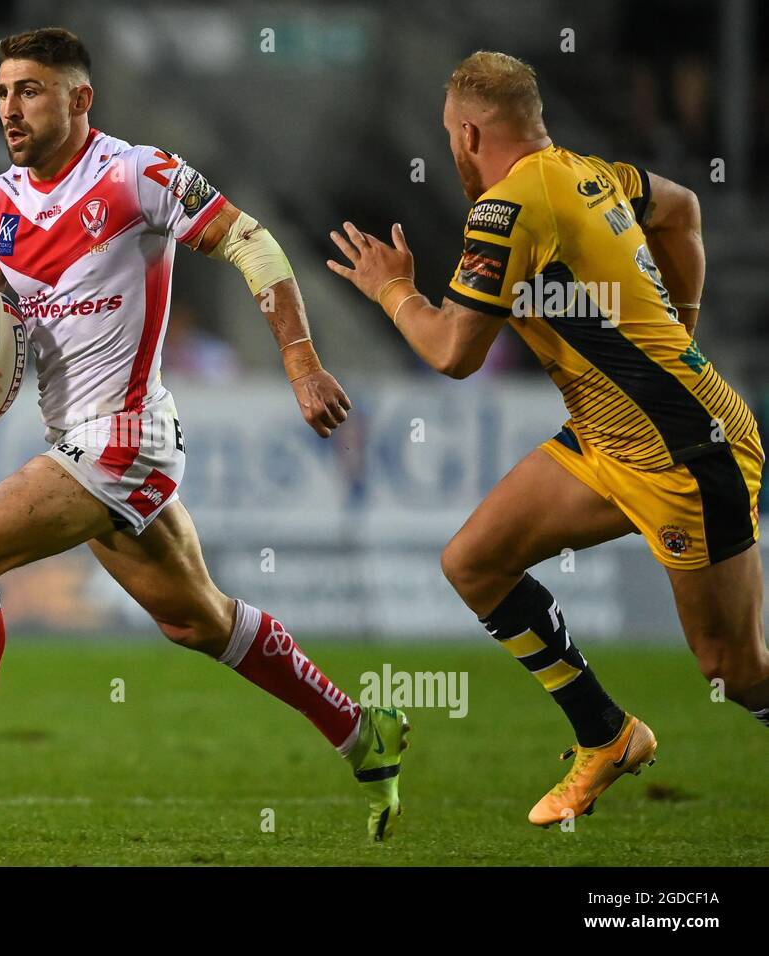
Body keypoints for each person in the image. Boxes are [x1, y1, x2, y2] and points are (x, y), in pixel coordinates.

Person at [0, 27, 410, 842]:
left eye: (31, 90)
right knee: (198, 622)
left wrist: (299, 360)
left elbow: (250, 241)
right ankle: (364, 734)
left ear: (81, 99)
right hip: (77, 439)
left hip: (127, 434)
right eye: (4, 91)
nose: (11, 107)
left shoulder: (134, 174)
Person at [327, 51, 765, 827]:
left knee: (731, 667)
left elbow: (452, 353)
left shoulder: (505, 208)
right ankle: (608, 734)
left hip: (686, 451)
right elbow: (685, 210)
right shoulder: (598, 174)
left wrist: (390, 286)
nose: (451, 152)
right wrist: (675, 330)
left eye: (449, 138)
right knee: (475, 561)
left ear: (468, 134)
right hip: (612, 437)